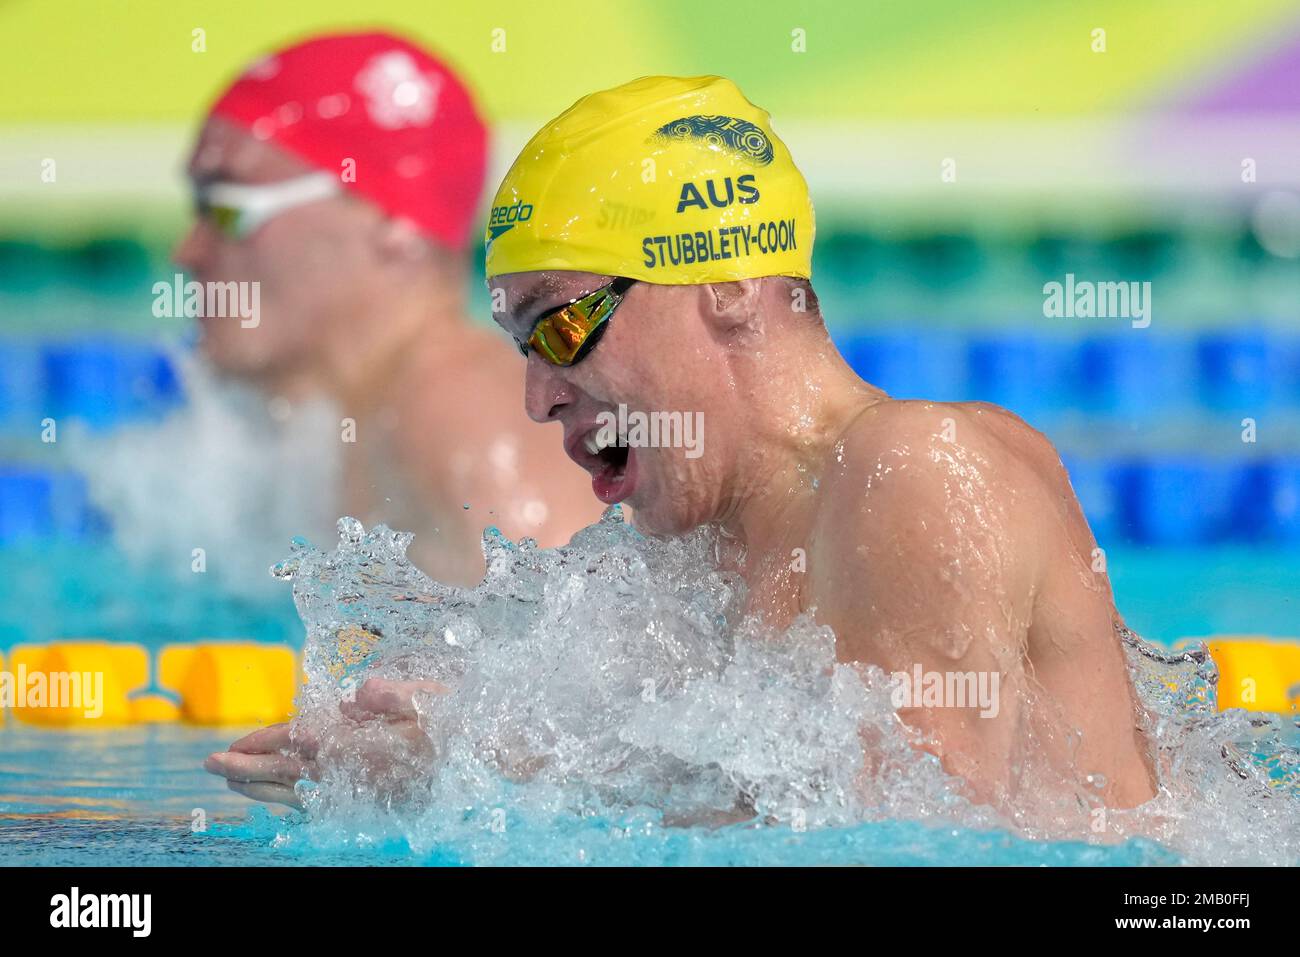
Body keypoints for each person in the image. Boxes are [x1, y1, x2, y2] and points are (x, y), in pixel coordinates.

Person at [207, 75, 1156, 817]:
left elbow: (911, 838)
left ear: (730, 283)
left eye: (561, 325)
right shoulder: (699, 550)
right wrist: (451, 736)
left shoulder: (915, 468)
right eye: (519, 347)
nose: (537, 395)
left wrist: (482, 773)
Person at [174, 32, 602, 584]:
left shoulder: (466, 424)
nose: (187, 251)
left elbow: (575, 648)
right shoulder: (358, 419)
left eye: (227, 210)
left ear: (391, 222)